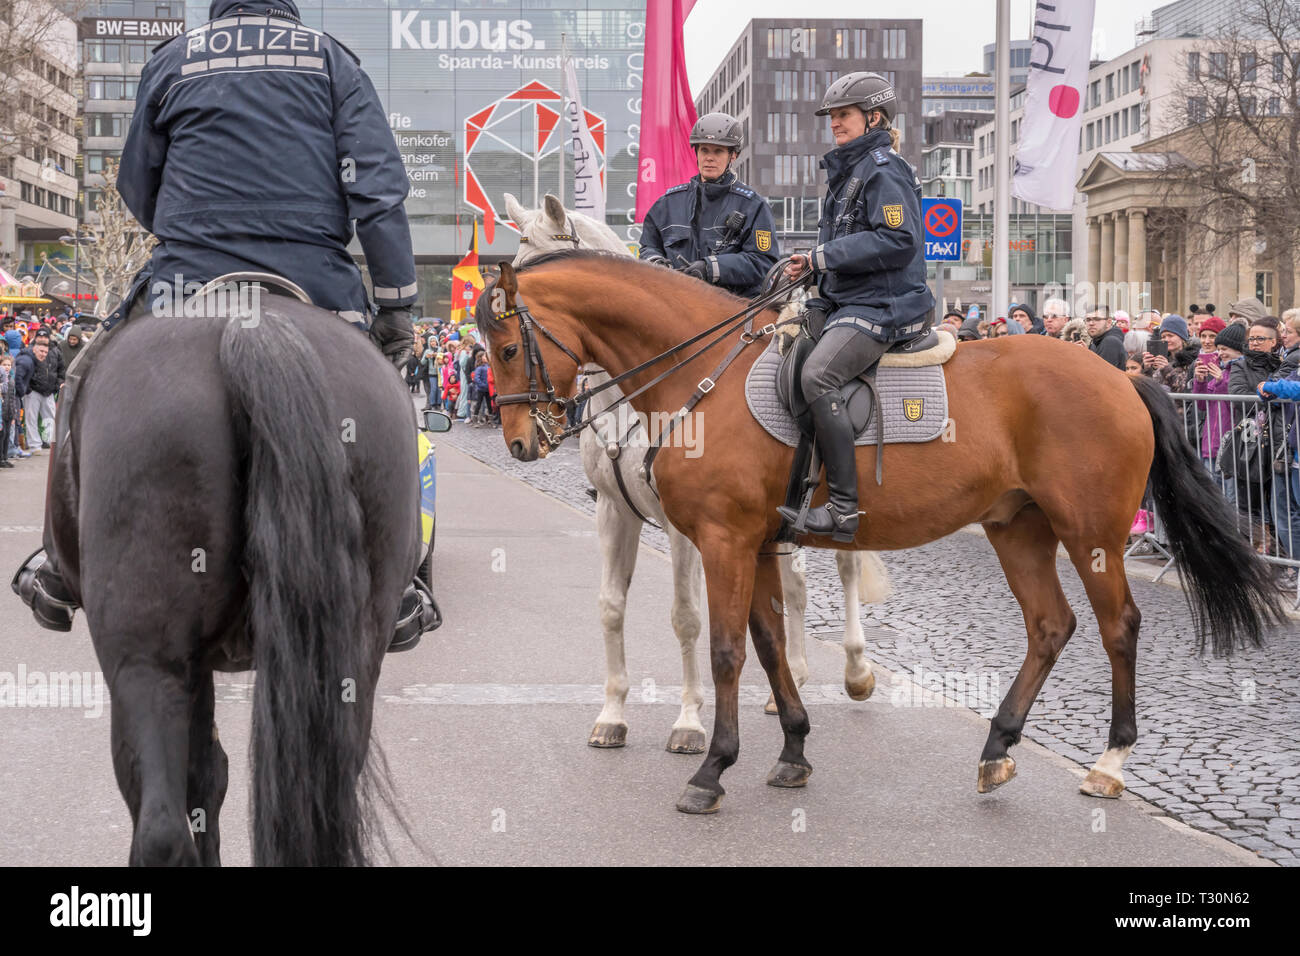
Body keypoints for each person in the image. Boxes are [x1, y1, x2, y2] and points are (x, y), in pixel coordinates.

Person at [16, 0, 424, 644]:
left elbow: (137, 187)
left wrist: (194, 224)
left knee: (84, 379)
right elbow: (377, 191)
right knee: (391, 404)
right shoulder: (331, 60)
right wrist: (397, 303)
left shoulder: (173, 60)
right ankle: (400, 578)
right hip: (317, 283)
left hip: (186, 283)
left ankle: (60, 564)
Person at [774, 71, 934, 541]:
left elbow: (899, 239)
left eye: (843, 115)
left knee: (818, 374)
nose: (835, 124)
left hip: (886, 305)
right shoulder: (849, 173)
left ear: (874, 118)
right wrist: (813, 267)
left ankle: (843, 508)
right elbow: (847, 245)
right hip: (848, 299)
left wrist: (824, 255)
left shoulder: (883, 168)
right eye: (832, 116)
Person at [638, 112, 779, 297]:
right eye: (704, 150)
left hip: (731, 311)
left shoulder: (753, 206)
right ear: (696, 152)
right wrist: (655, 261)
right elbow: (648, 246)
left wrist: (711, 268)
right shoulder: (668, 204)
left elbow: (764, 263)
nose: (709, 158)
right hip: (674, 305)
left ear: (733, 155)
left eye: (718, 151)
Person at [13, 331, 61, 452]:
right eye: (40, 336)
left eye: (45, 336)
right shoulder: (29, 353)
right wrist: (27, 389)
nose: (43, 339)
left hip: (49, 390)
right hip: (33, 390)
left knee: (50, 417)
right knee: (31, 418)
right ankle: (35, 445)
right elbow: (21, 374)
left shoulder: (55, 351)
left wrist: (56, 385)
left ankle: (50, 443)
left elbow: (61, 369)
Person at [1143, 314, 1198, 392]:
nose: (1166, 339)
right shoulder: (1161, 358)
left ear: (1182, 337)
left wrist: (1166, 369)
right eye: (1163, 336)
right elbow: (1149, 389)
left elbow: (1183, 390)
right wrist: (1147, 369)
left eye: (1170, 335)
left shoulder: (1191, 360)